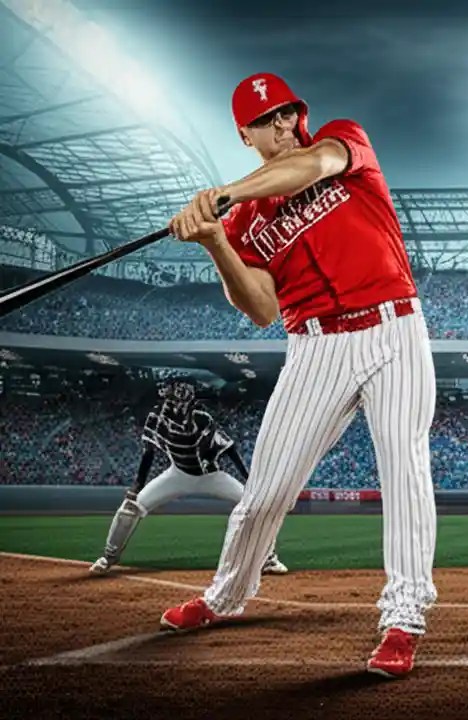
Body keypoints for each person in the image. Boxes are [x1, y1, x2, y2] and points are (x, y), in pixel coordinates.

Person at [160, 73, 439, 679]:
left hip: (393, 328)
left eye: (287, 111)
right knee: (267, 489)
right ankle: (225, 594)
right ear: (246, 134)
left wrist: (223, 193)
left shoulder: (341, 141)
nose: (283, 124)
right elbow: (261, 306)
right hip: (315, 347)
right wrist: (215, 240)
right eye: (268, 120)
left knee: (404, 466)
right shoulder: (242, 219)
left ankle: (404, 617)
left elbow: (310, 167)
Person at [89, 380, 287, 577]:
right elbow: (148, 451)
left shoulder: (202, 418)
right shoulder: (156, 417)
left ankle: (269, 558)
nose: (172, 404)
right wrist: (137, 485)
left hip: (211, 476)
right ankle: (109, 557)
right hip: (178, 474)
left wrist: (248, 479)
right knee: (130, 507)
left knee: (255, 505)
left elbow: (229, 448)